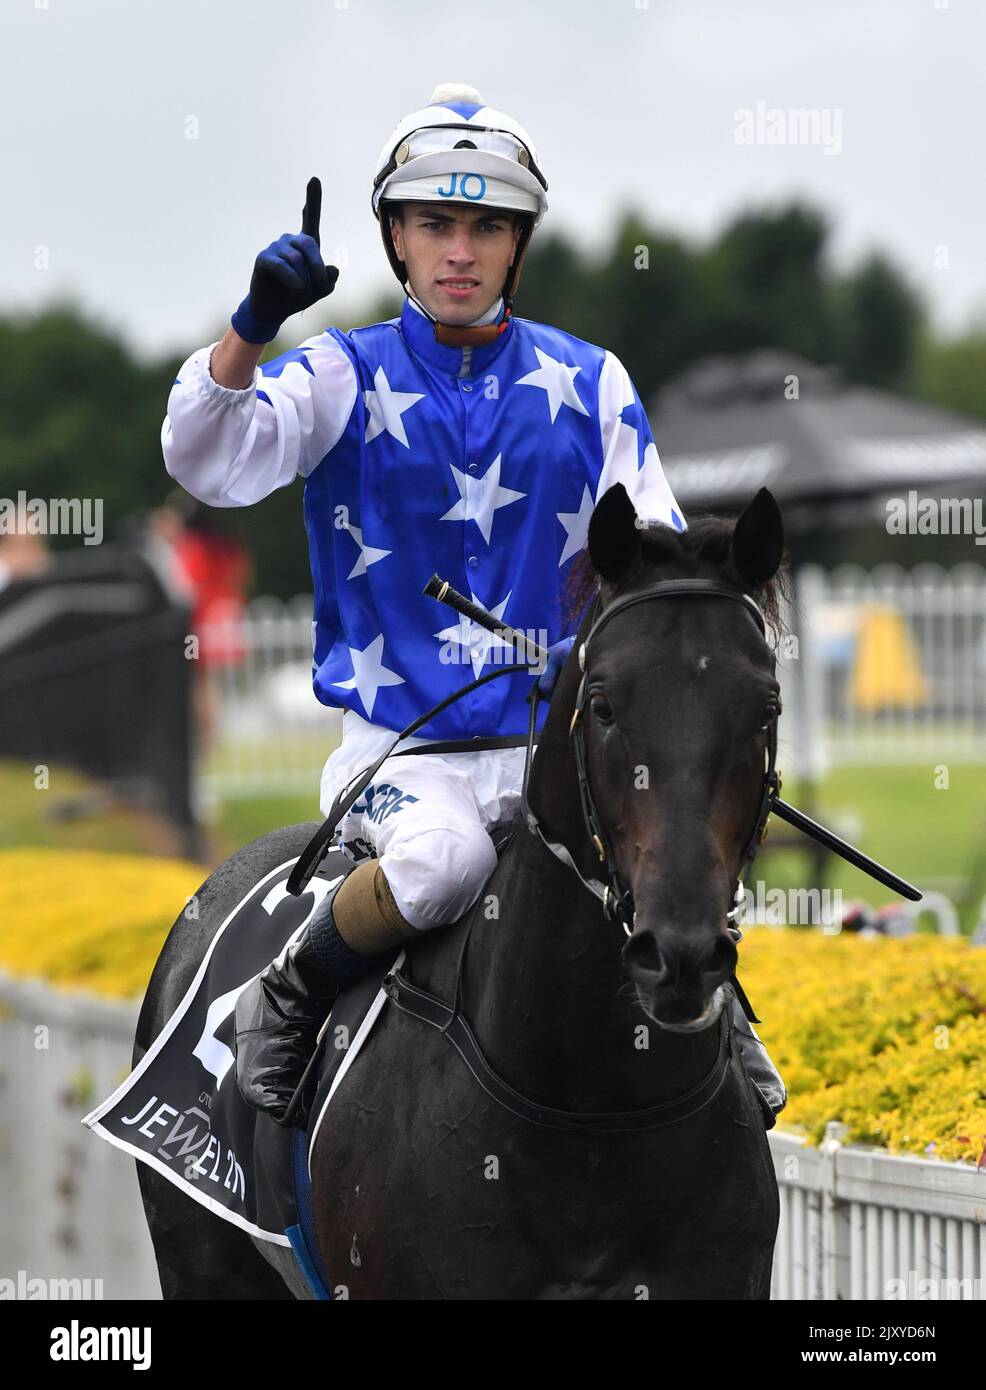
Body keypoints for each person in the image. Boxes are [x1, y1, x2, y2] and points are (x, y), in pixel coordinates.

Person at [162, 83, 786, 1129]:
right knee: (446, 863)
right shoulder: (336, 375)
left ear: (516, 243)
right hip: (400, 755)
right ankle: (289, 992)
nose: (459, 250)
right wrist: (253, 324)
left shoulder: (590, 383)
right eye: (434, 224)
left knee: (665, 852)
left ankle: (719, 1018)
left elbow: (657, 572)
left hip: (558, 753)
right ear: (396, 240)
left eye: (486, 226)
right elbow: (204, 457)